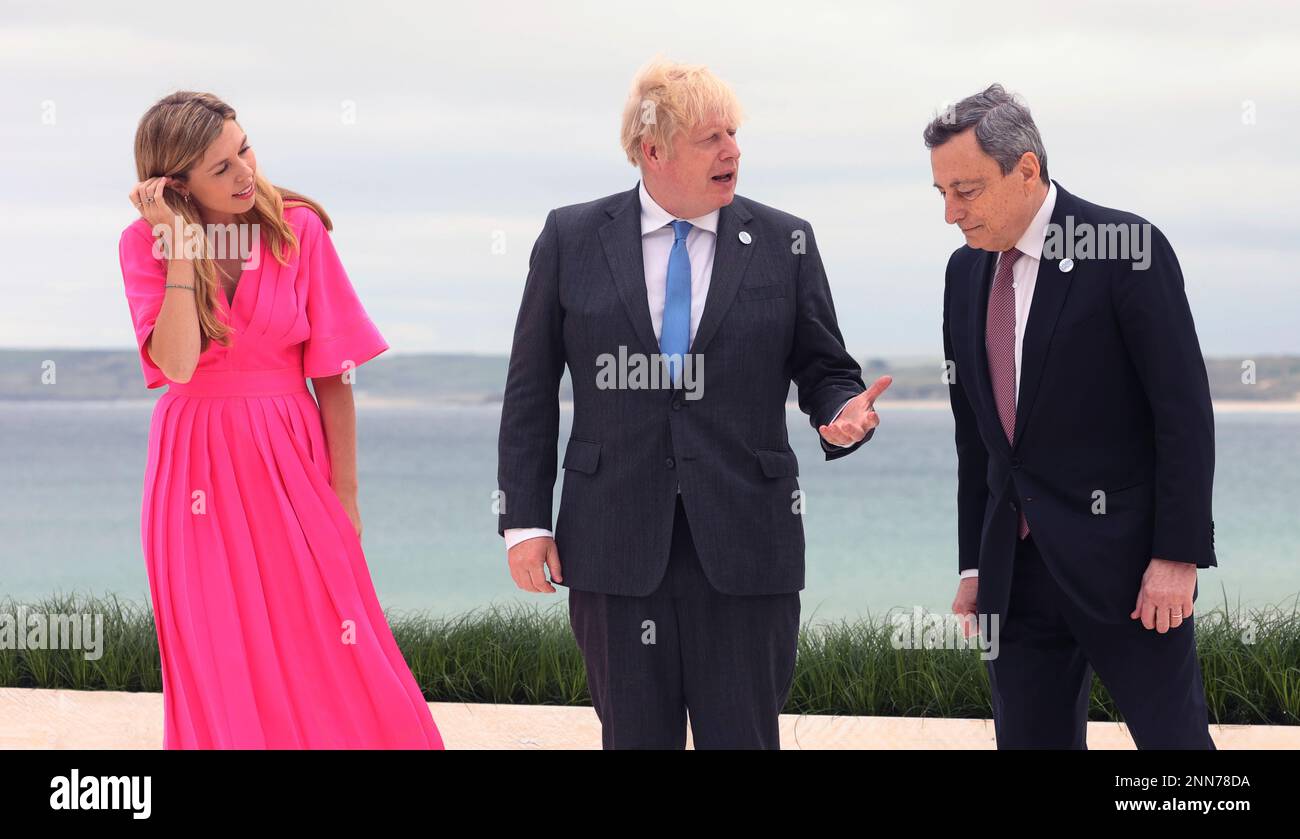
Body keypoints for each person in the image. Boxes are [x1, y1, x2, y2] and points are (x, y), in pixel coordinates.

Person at [497, 58, 890, 748]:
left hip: (747, 543)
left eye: (734, 133)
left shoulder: (784, 241)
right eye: (711, 137)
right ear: (654, 151)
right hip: (613, 542)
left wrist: (842, 414)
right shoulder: (570, 237)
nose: (733, 151)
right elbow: (530, 388)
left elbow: (825, 366)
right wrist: (524, 521)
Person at [118, 91, 443, 749]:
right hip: (192, 471)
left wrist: (344, 493)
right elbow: (177, 364)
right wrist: (181, 249)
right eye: (220, 167)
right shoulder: (142, 244)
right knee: (218, 648)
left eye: (244, 150)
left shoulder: (298, 229)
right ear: (173, 185)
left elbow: (334, 373)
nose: (244, 173)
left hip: (292, 460)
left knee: (329, 634)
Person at [929, 84, 1216, 748]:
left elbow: (1184, 414)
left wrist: (1177, 555)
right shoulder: (962, 274)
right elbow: (978, 440)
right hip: (1016, 577)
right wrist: (974, 564)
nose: (950, 213)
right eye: (941, 193)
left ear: (1026, 168)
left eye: (966, 191)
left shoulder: (1127, 248)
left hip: (1131, 573)